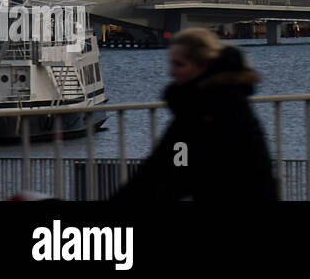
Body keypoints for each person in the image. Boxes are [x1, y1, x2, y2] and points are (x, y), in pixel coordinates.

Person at [110, 28, 278, 201]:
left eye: (179, 64)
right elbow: (166, 166)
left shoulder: (216, 110)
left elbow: (174, 169)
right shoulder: (199, 106)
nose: (171, 72)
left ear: (203, 65)